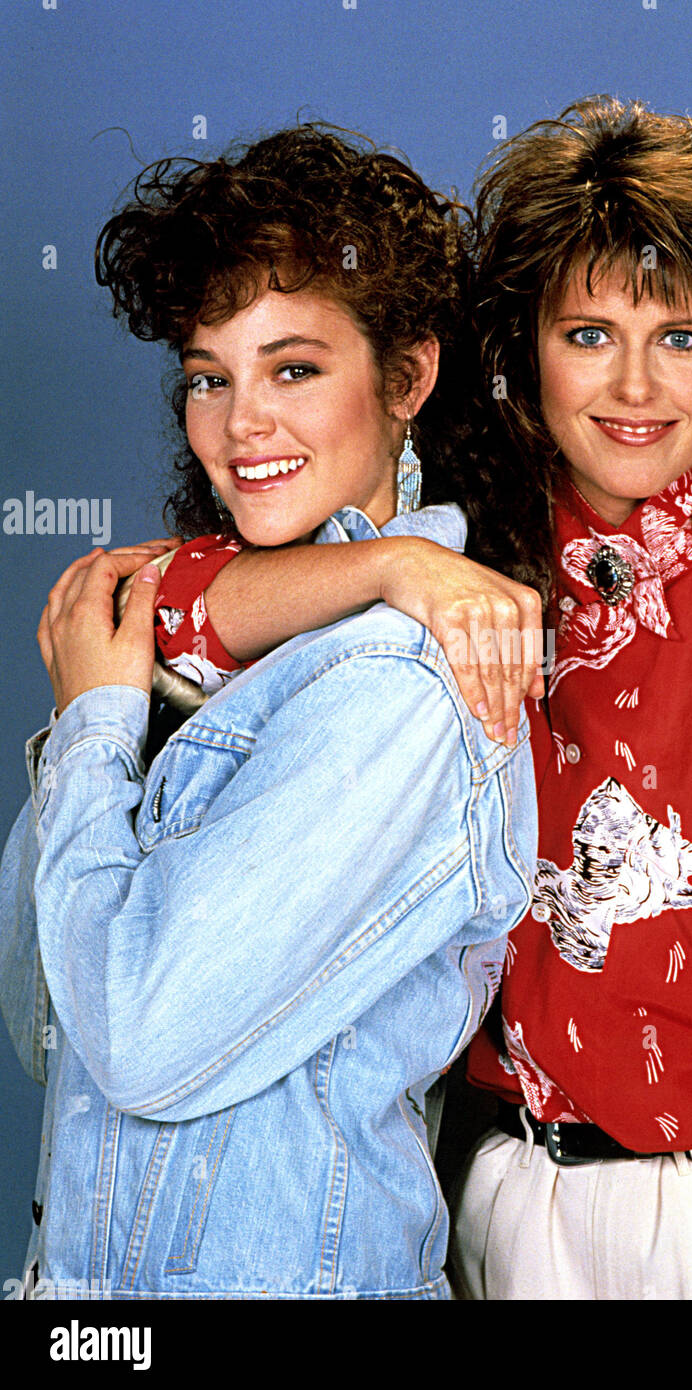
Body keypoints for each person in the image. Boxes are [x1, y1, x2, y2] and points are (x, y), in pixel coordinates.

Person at [51, 99, 692, 1301]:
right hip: (508, 1216)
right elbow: (153, 600)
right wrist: (398, 565)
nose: (637, 386)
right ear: (521, 352)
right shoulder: (444, 582)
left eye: (685, 336)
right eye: (590, 334)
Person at [0, 123, 536, 1300]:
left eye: (294, 368)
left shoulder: (405, 680)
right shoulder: (202, 632)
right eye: (210, 376)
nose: (243, 424)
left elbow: (133, 1037)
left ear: (407, 378)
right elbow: (44, 1020)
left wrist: (94, 725)